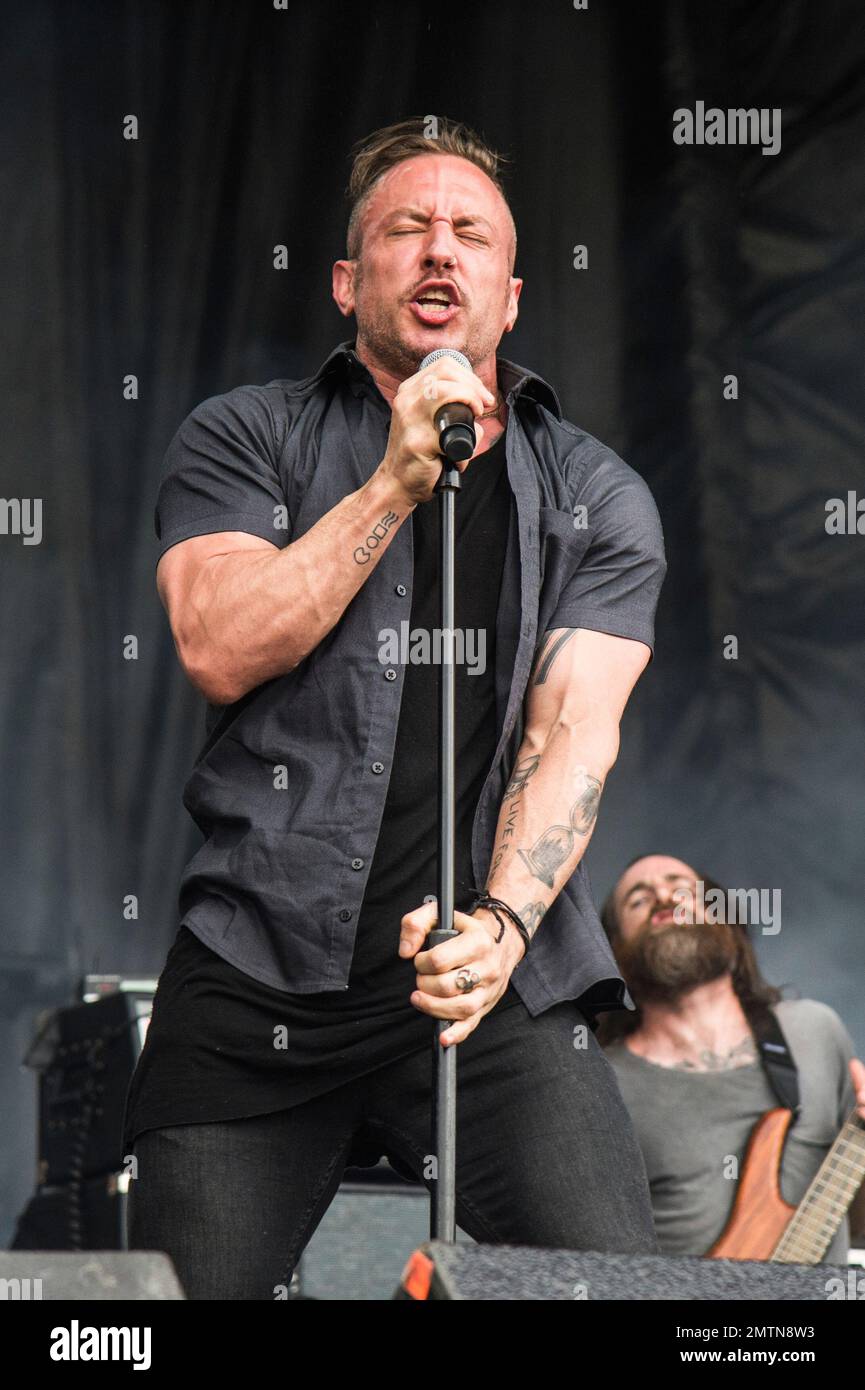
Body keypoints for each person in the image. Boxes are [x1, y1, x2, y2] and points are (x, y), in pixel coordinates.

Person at [124, 117, 668, 1299]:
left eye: (469, 234)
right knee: (167, 1311)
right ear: (345, 279)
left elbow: (572, 730)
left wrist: (505, 927)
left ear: (509, 296)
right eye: (406, 229)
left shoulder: (594, 494)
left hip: (488, 985)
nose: (439, 252)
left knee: (619, 1289)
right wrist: (394, 480)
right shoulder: (246, 436)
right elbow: (220, 642)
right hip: (260, 967)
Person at [599, 853, 865, 1262]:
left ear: (725, 922)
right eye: (637, 899)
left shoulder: (814, 1031)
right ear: (614, 952)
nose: (664, 897)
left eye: (683, 888)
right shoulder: (599, 1084)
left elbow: (856, 1220)